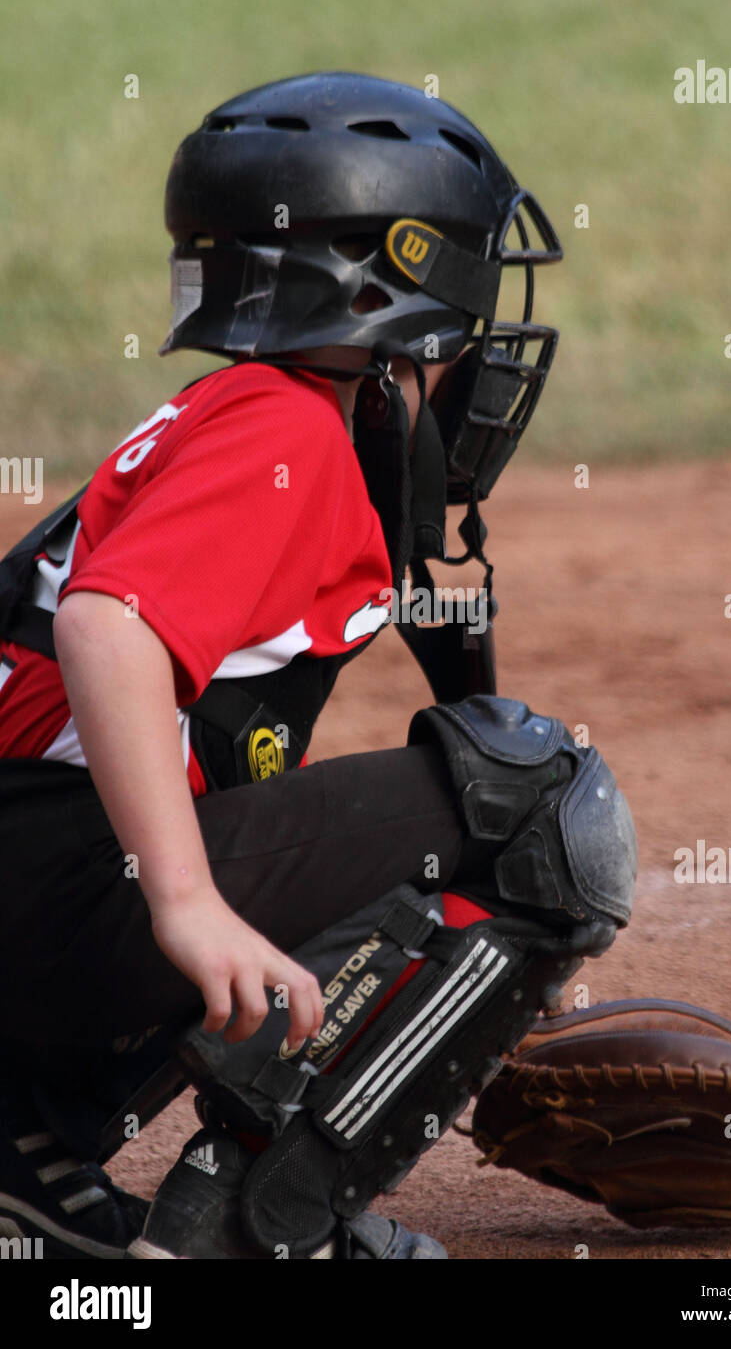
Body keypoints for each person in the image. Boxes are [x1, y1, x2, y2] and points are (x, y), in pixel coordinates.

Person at [0, 72, 637, 1260]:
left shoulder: (267, 414)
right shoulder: (287, 434)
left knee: (221, 797)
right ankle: (242, 1230)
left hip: (31, 883)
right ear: (392, 287)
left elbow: (444, 646)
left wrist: (494, 996)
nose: (484, 341)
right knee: (545, 799)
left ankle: (24, 1143)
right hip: (41, 891)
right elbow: (106, 626)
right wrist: (184, 906)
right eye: (468, 293)